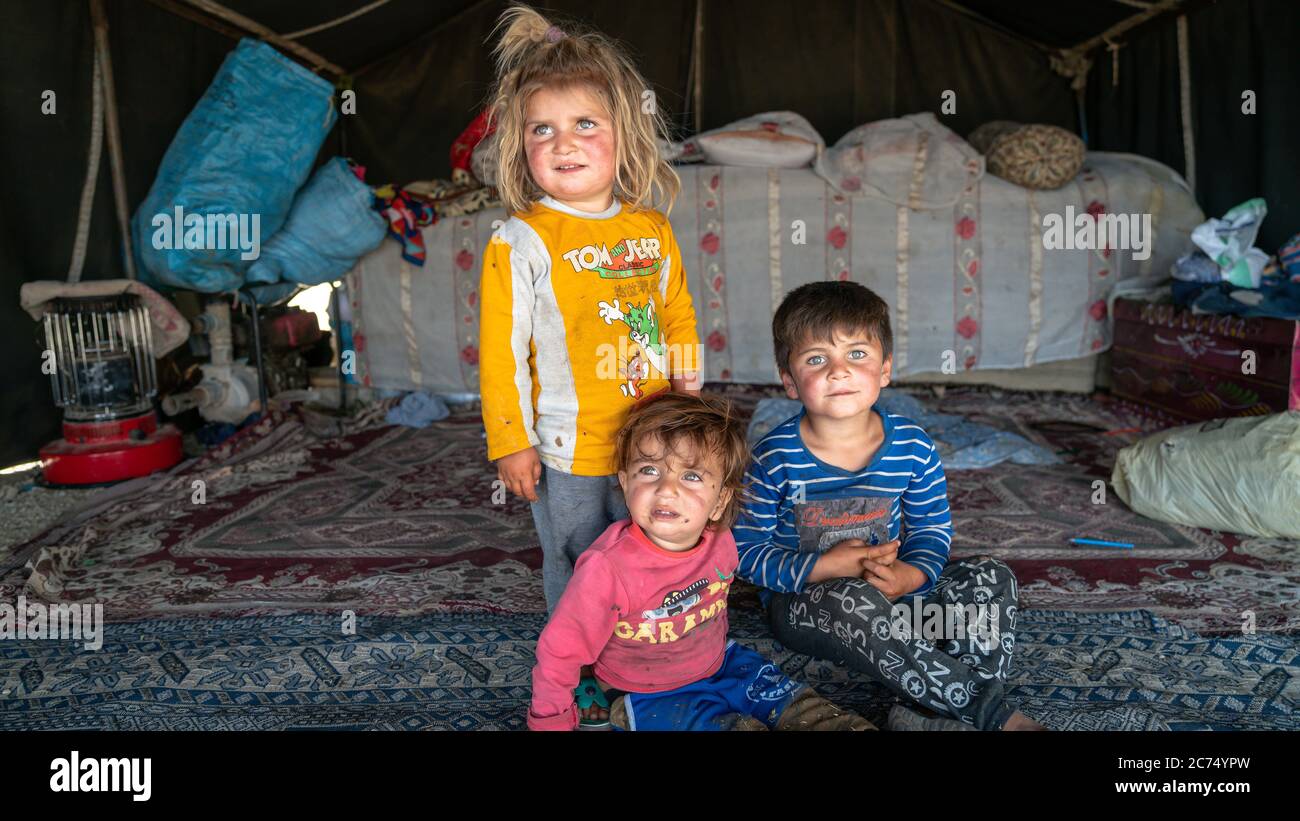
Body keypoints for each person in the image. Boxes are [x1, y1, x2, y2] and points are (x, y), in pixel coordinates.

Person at [477, 4, 703, 725]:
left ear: (621, 136)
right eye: (543, 128)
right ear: (522, 144)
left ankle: (642, 651)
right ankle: (574, 665)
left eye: (584, 125)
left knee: (649, 543)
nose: (563, 142)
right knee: (579, 561)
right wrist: (509, 439)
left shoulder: (650, 227)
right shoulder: (521, 238)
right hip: (570, 444)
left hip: (652, 437)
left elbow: (675, 308)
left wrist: (688, 374)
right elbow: (500, 353)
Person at [734, 281, 1045, 731]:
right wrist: (824, 567)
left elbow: (931, 532)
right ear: (789, 380)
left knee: (990, 575)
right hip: (813, 606)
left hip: (902, 599)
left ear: (885, 370)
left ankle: (925, 714)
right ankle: (990, 715)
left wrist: (910, 576)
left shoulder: (914, 447)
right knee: (850, 598)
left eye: (857, 354)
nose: (838, 372)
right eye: (816, 359)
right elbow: (744, 551)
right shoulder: (775, 456)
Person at [527, 392, 873, 731]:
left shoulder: (722, 542)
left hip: (723, 664)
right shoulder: (606, 569)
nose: (666, 489)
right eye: (649, 470)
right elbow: (560, 651)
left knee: (809, 711)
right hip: (645, 691)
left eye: (691, 476)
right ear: (624, 482)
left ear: (720, 501)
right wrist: (550, 719)